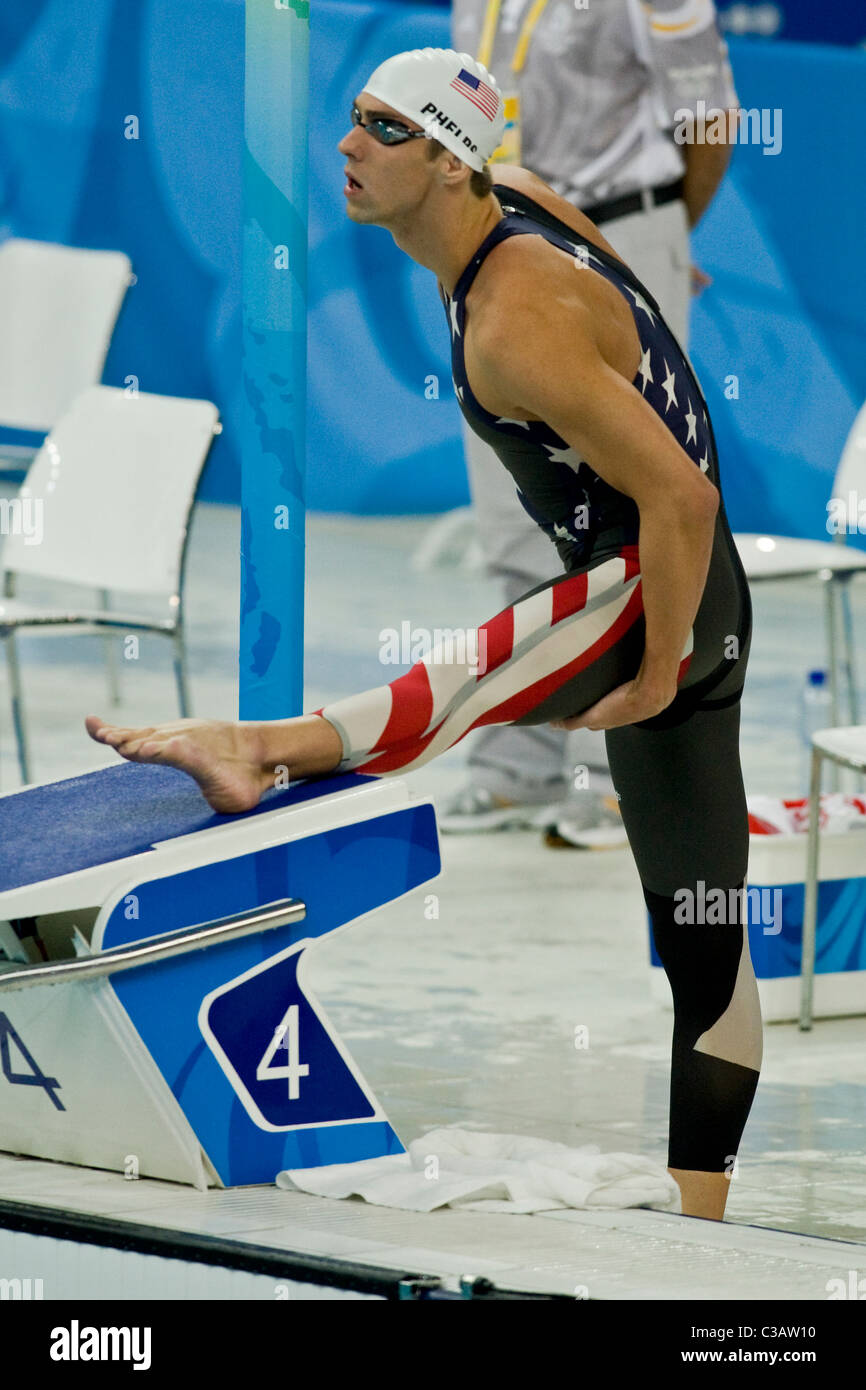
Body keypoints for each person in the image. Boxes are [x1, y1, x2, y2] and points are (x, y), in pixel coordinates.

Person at [85, 48, 761, 1223]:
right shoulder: (520, 204)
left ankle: (261, 744)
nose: (348, 146)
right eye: (354, 120)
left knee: (473, 672)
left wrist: (654, 673)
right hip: (694, 593)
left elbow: (685, 499)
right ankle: (701, 1217)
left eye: (386, 131)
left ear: (451, 165)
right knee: (700, 925)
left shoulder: (511, 318)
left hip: (660, 588)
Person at [443, 0, 740, 844]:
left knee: (634, 512)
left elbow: (710, 117)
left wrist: (658, 243)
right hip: (499, 239)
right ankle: (519, 768)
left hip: (617, 231)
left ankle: (628, 779)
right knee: (516, 521)